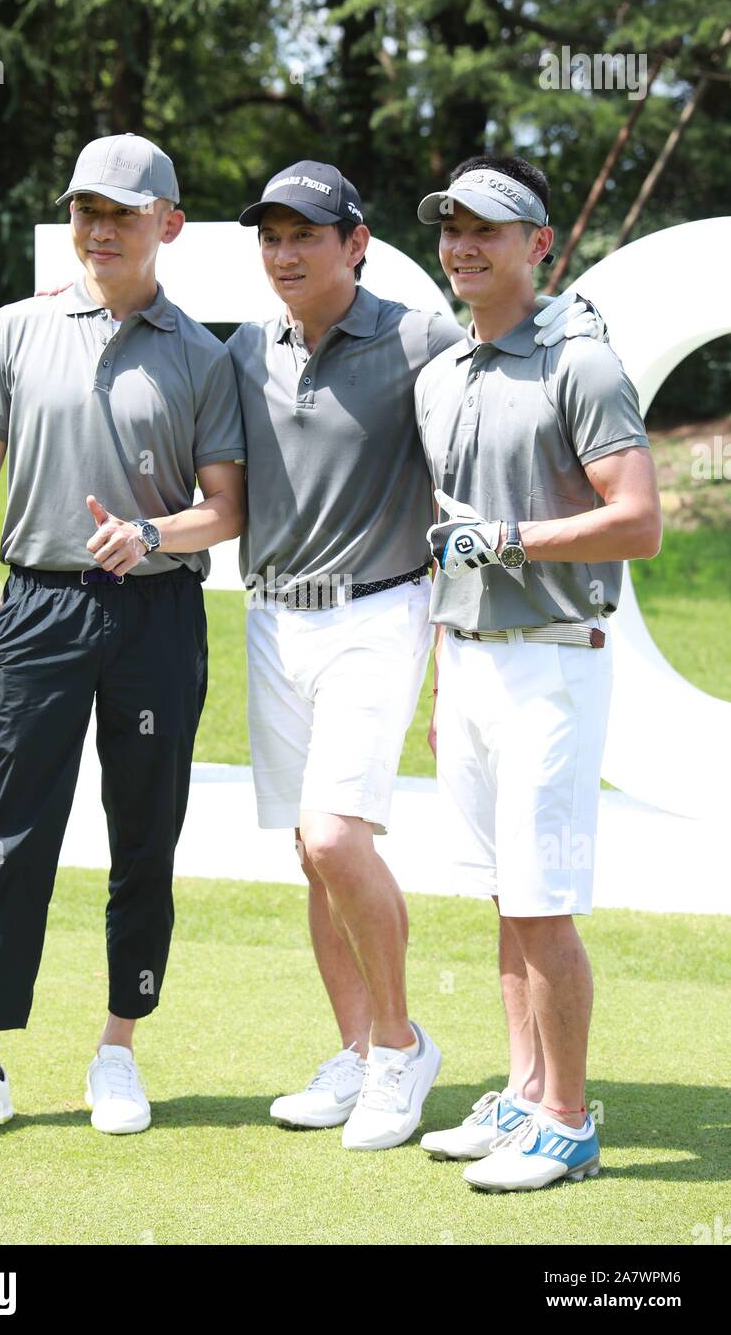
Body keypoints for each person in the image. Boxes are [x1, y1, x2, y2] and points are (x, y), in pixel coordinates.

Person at [227, 159, 603, 1151]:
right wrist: (77, 303)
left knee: (333, 835)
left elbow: (517, 356)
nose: (284, 252)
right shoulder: (241, 346)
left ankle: (400, 1047)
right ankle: (356, 1050)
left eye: (306, 234)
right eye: (270, 235)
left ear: (355, 242)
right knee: (313, 859)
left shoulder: (419, 338)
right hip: (272, 617)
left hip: (378, 608)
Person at [0, 133, 246, 1148]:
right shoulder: (17, 328)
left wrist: (153, 532)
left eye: (121, 213)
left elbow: (225, 508)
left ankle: (118, 1047)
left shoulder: (201, 354)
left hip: (153, 615)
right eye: (84, 212)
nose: (98, 230)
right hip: (38, 612)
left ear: (169, 225)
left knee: (143, 835)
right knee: (9, 837)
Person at [413, 154, 661, 1189]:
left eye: (487, 228)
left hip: (553, 661)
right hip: (468, 664)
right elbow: (443, 540)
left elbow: (637, 520)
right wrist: (438, 673)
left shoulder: (581, 363)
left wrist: (513, 539)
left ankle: (566, 1120)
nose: (462, 244)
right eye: (449, 227)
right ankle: (521, 1093)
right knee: (504, 896)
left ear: (539, 244)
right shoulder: (439, 373)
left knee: (543, 900)